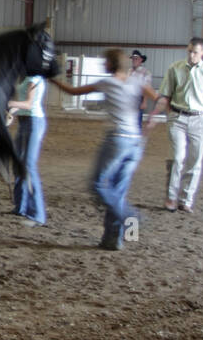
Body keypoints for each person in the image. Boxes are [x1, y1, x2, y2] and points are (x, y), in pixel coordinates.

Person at [51, 50, 161, 250]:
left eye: (105, 62)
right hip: (136, 142)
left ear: (111, 64)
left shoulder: (107, 83)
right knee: (117, 192)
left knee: (97, 184)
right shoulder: (137, 82)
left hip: (117, 140)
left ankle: (131, 216)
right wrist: (153, 116)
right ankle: (113, 240)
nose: (103, 65)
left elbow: (73, 91)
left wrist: (52, 79)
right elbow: (160, 98)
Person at [146, 36, 203, 214]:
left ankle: (186, 199)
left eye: (195, 52)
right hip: (178, 117)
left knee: (195, 161)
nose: (191, 55)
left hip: (200, 119)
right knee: (177, 158)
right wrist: (159, 113)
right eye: (189, 51)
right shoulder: (175, 68)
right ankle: (171, 197)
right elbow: (165, 94)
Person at [6, 72, 48, 225]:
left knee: (29, 166)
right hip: (24, 122)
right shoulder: (25, 77)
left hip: (33, 121)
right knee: (18, 163)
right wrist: (10, 111)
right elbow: (23, 105)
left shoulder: (34, 79)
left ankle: (38, 214)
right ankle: (21, 206)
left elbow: (29, 104)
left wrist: (9, 103)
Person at [130, 49, 152, 126]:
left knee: (137, 123)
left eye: (136, 58)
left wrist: (144, 102)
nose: (134, 60)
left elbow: (146, 88)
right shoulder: (129, 71)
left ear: (141, 60)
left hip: (139, 99)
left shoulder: (146, 72)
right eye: (133, 59)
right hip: (129, 98)